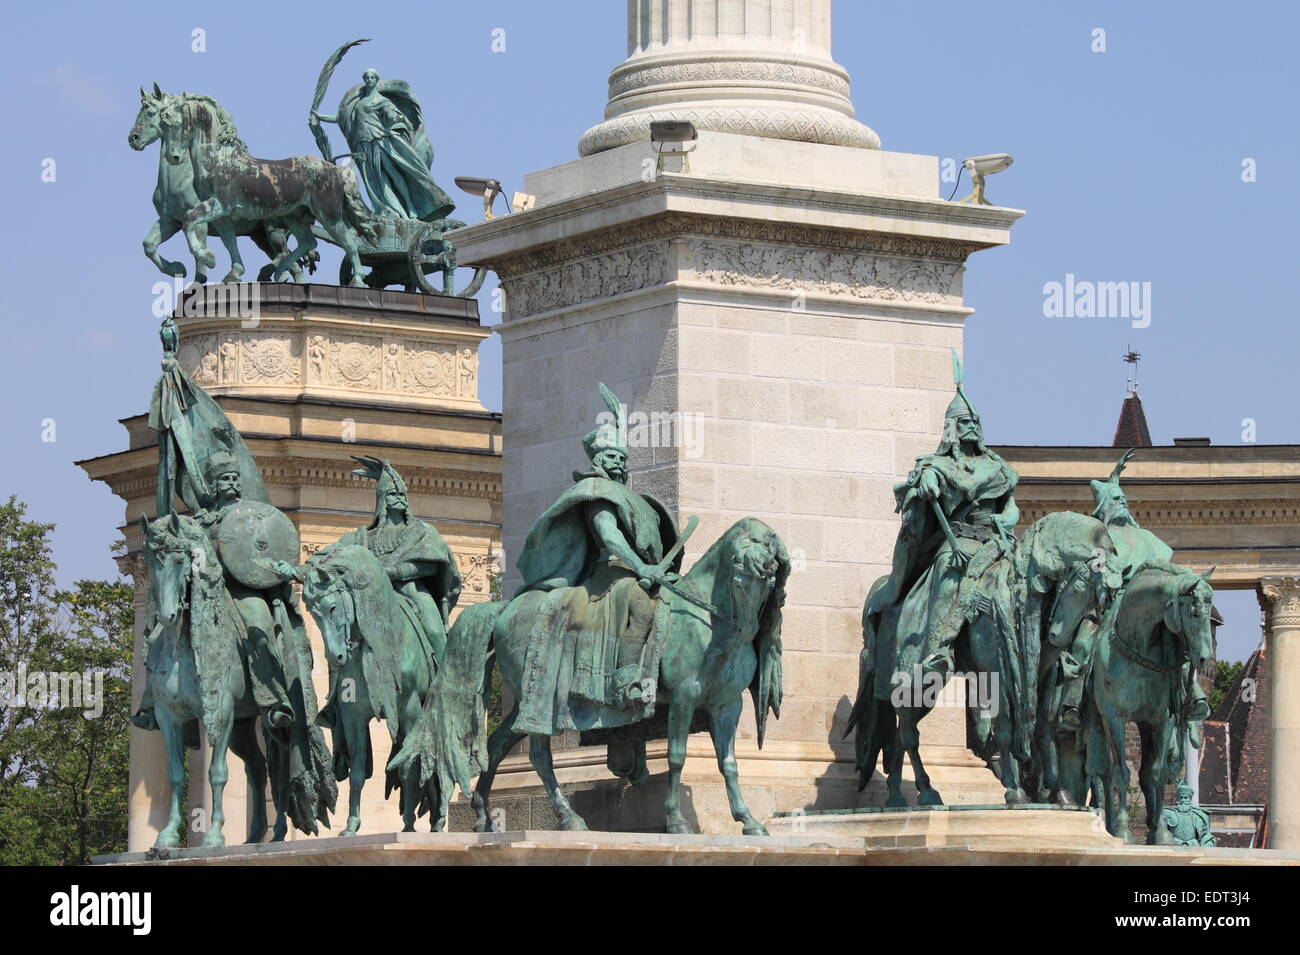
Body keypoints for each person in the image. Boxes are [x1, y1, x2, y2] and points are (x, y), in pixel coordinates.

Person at [511, 384, 680, 732]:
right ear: (598, 461)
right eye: (612, 458)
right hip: (612, 573)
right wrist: (641, 566)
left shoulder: (633, 497)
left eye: (623, 458)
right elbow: (609, 536)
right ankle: (626, 680)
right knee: (642, 603)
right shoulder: (595, 491)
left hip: (642, 570)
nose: (619, 463)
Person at [310, 68, 454, 222]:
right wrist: (319, 116)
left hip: (379, 141)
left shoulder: (381, 100)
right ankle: (389, 210)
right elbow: (340, 118)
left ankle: (411, 208)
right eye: (366, 77)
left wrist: (393, 116)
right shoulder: (359, 102)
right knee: (376, 181)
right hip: (363, 144)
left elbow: (392, 112)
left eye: (372, 77)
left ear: (376, 79)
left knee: (394, 175)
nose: (369, 79)